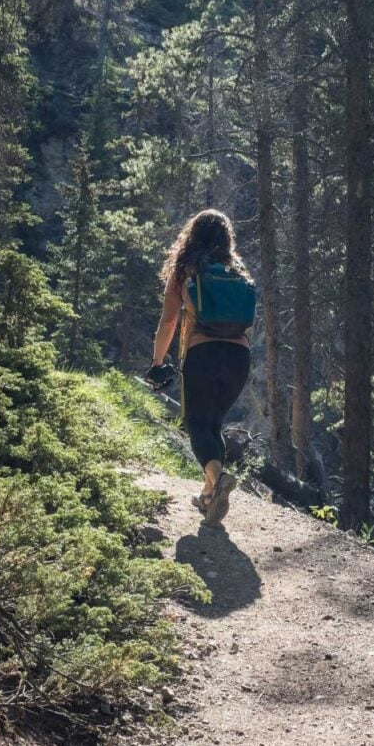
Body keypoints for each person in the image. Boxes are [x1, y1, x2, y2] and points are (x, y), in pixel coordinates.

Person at [146, 209, 252, 526]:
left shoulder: (186, 270)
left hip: (202, 353)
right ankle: (209, 497)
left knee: (197, 426)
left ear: (191, 236)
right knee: (213, 426)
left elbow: (168, 321)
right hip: (239, 358)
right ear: (226, 239)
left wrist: (157, 362)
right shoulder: (238, 272)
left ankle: (217, 481)